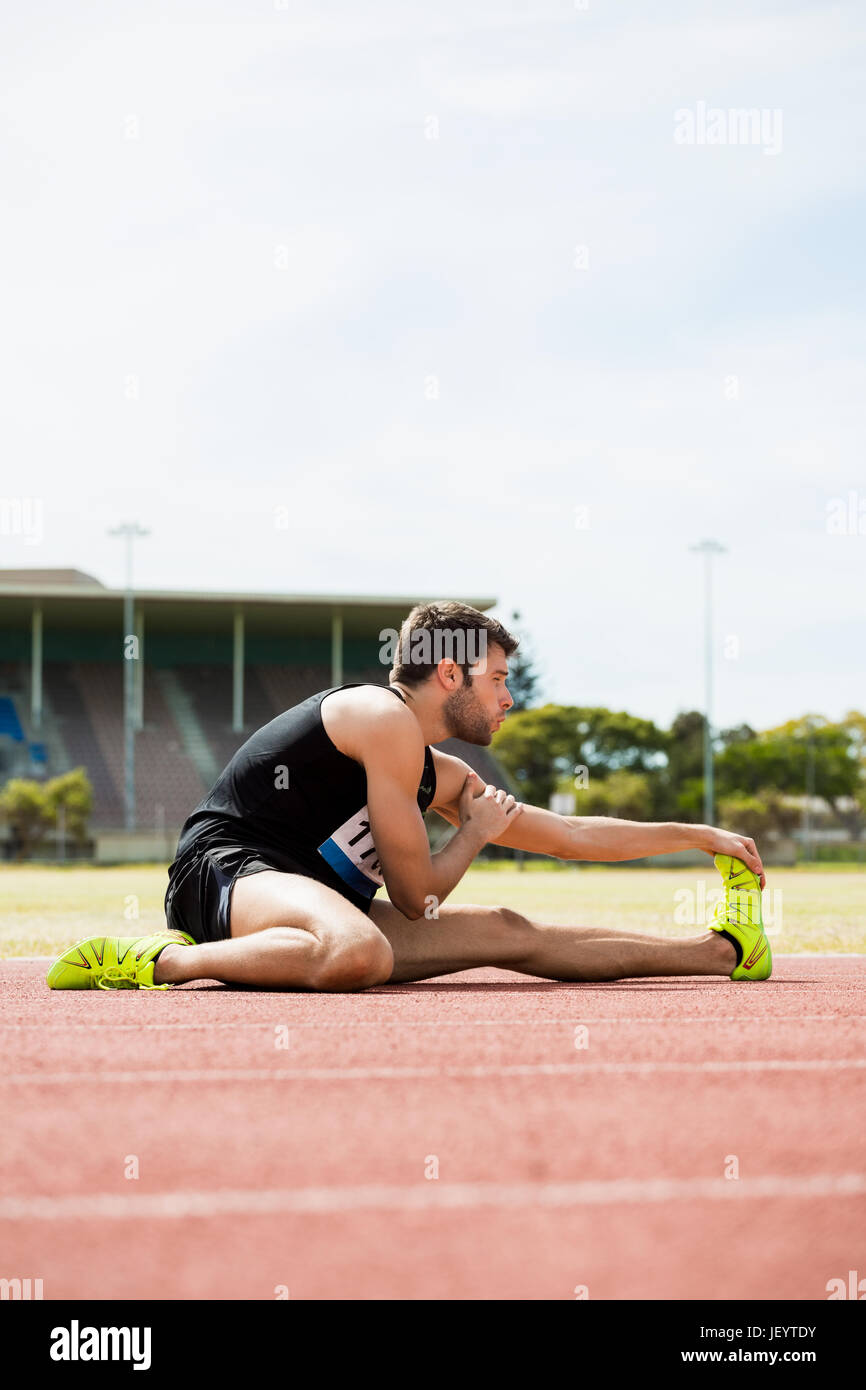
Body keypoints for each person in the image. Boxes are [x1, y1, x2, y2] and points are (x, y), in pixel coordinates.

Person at [46, 602, 769, 992]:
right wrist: (473, 836)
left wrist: (697, 834)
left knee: (513, 930)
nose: (509, 699)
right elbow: (420, 896)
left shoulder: (441, 773)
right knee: (359, 952)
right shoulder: (378, 716)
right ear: (449, 676)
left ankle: (721, 953)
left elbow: (572, 838)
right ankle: (156, 962)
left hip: (313, 902)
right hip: (227, 874)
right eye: (498, 680)